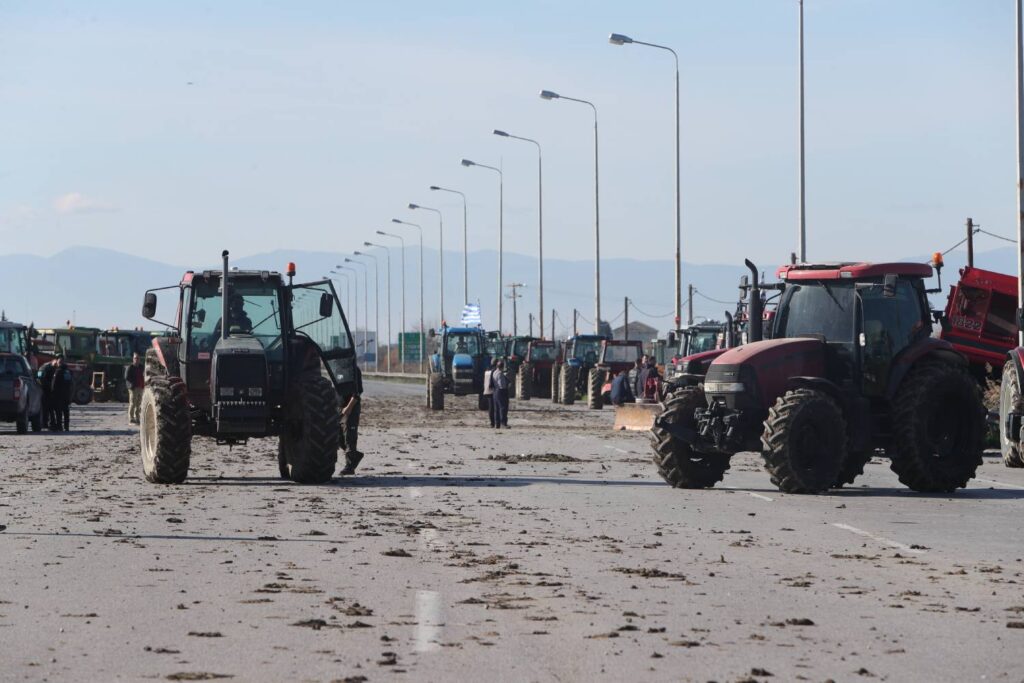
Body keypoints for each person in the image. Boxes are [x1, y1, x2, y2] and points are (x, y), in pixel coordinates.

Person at [338, 364, 364, 475]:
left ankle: (349, 466)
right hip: (339, 407)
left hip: (351, 407)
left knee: (349, 436)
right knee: (338, 436)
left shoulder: (354, 370)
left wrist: (348, 408)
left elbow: (357, 393)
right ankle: (355, 456)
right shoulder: (337, 369)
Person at [50, 355, 73, 432]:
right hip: (67, 394)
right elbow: (71, 383)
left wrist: (52, 393)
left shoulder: (58, 371)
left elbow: (54, 384)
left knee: (58, 411)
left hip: (58, 395)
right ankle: (66, 426)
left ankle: (59, 426)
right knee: (66, 411)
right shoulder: (68, 371)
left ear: (59, 363)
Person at [124, 353, 145, 425]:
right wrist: (132, 384)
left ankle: (137, 418)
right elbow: (126, 377)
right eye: (135, 358)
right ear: (133, 359)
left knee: (139, 404)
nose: (137, 360)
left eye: (138, 358)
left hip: (140, 387)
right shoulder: (130, 367)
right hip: (133, 388)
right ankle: (131, 419)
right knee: (133, 403)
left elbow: (144, 375)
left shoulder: (141, 367)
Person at [37, 359, 56, 429]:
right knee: (47, 407)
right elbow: (40, 378)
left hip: (47, 389)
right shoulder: (46, 367)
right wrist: (49, 386)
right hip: (45, 390)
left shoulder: (47, 367)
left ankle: (48, 423)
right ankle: (47, 423)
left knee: (48, 407)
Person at [491, 360, 510, 429]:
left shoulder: (494, 372)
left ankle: (497, 424)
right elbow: (502, 384)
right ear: (502, 366)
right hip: (501, 391)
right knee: (503, 408)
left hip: (495, 391)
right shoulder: (500, 374)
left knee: (496, 409)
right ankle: (503, 423)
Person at [482, 359, 497, 428]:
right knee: (495, 408)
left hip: (487, 391)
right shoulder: (495, 372)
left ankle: (492, 423)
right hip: (493, 391)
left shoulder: (487, 371)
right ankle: (495, 422)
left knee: (490, 408)